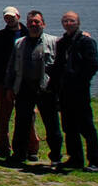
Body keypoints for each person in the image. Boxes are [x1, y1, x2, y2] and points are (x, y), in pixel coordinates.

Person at [51, 11, 98, 172]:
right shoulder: (62, 42)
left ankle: (95, 161)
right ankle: (75, 158)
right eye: (65, 21)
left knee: (86, 127)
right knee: (69, 126)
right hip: (64, 92)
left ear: (78, 23)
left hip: (80, 91)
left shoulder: (86, 41)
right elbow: (58, 66)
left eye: (71, 21)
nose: (68, 23)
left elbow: (93, 65)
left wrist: (80, 80)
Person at [9, 10, 60, 166]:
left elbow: (64, 59)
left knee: (51, 124)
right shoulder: (20, 43)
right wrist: (9, 87)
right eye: (30, 22)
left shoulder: (54, 42)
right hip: (24, 87)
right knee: (21, 123)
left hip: (46, 89)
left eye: (37, 22)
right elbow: (12, 67)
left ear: (43, 24)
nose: (33, 25)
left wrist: (84, 34)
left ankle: (56, 156)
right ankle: (19, 154)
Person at [0, 7, 35, 160]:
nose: (9, 19)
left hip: (25, 81)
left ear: (18, 16)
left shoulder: (28, 34)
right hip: (3, 81)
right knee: (2, 116)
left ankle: (31, 149)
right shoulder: (1, 36)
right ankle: (3, 148)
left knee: (27, 116)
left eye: (11, 17)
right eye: (6, 17)